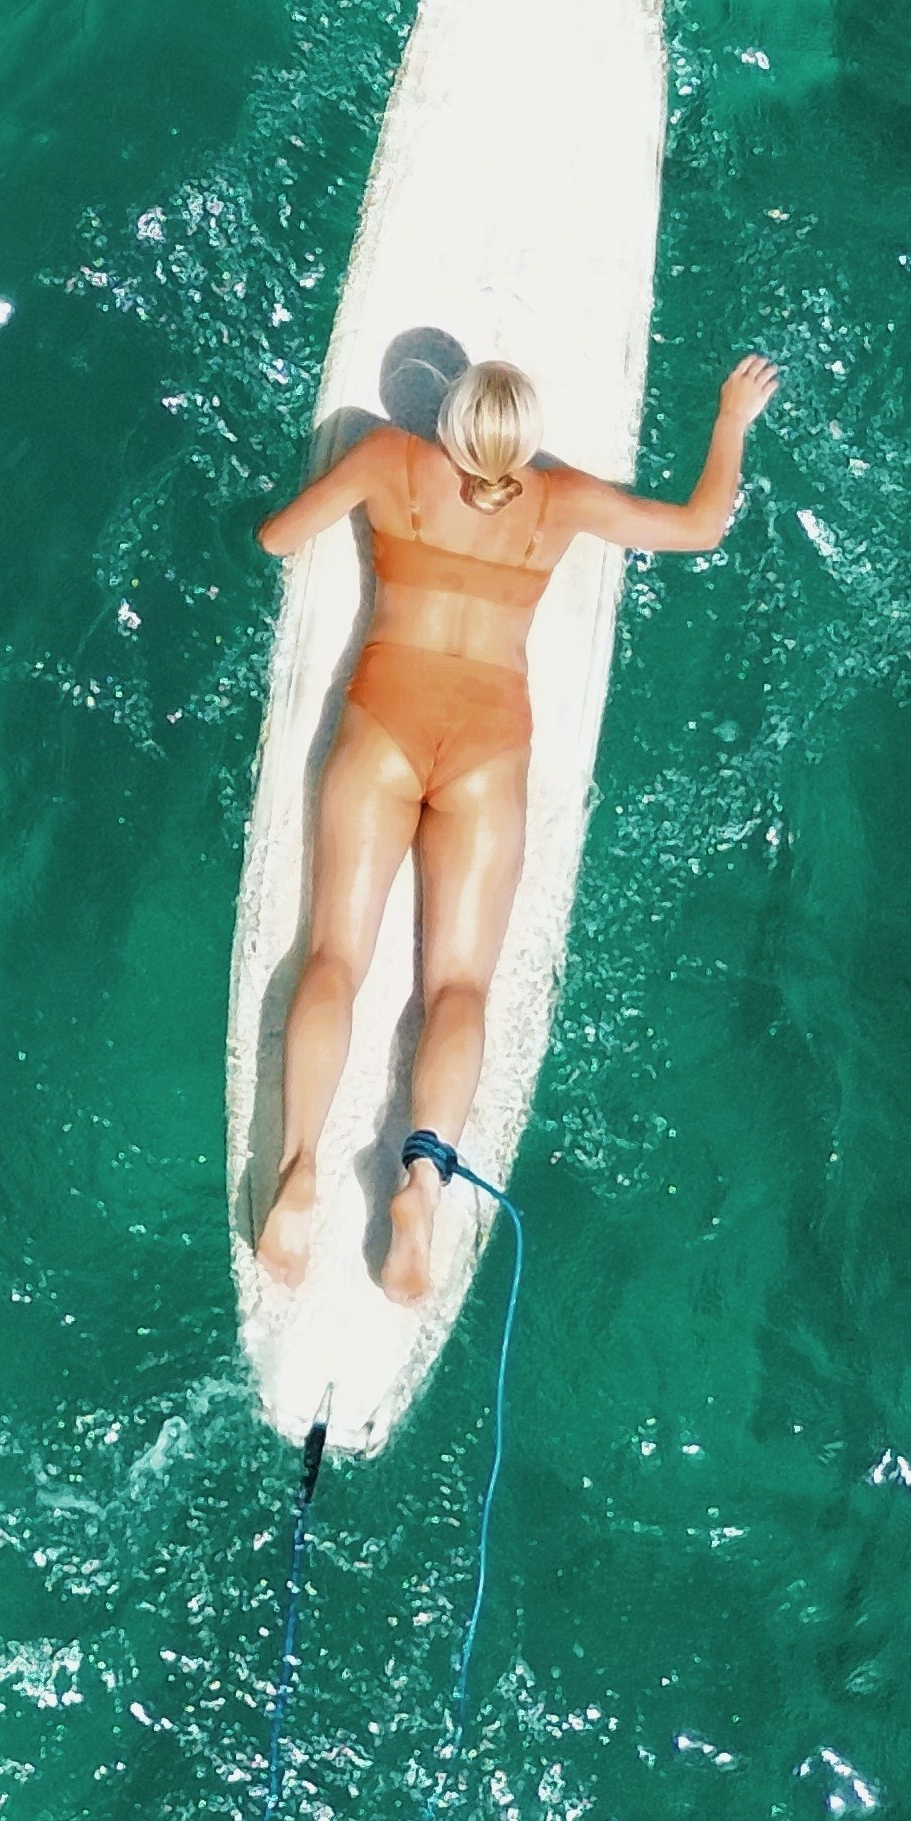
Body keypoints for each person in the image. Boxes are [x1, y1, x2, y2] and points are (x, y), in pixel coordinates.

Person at [249, 342, 777, 1294]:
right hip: (489, 752)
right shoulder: (558, 499)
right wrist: (730, 422)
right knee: (458, 987)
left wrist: (361, 481)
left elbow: (278, 540)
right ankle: (421, 1181)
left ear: (447, 425)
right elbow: (701, 527)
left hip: (384, 728)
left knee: (334, 956)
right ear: (522, 442)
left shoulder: (388, 464)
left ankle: (297, 1172)